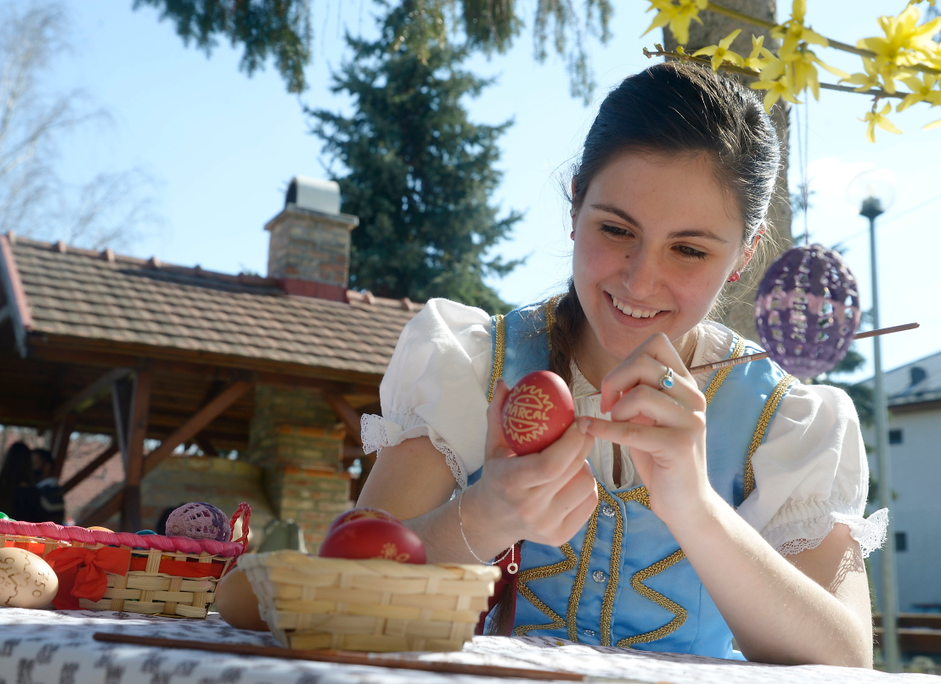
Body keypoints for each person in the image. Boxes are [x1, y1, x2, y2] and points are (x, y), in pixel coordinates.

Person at [356, 62, 885, 667]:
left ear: (743, 256)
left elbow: (844, 663)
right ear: (576, 202)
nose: (640, 279)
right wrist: (479, 518)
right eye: (616, 228)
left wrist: (697, 507)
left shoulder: (785, 420)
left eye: (688, 249)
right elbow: (330, 595)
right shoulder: (473, 366)